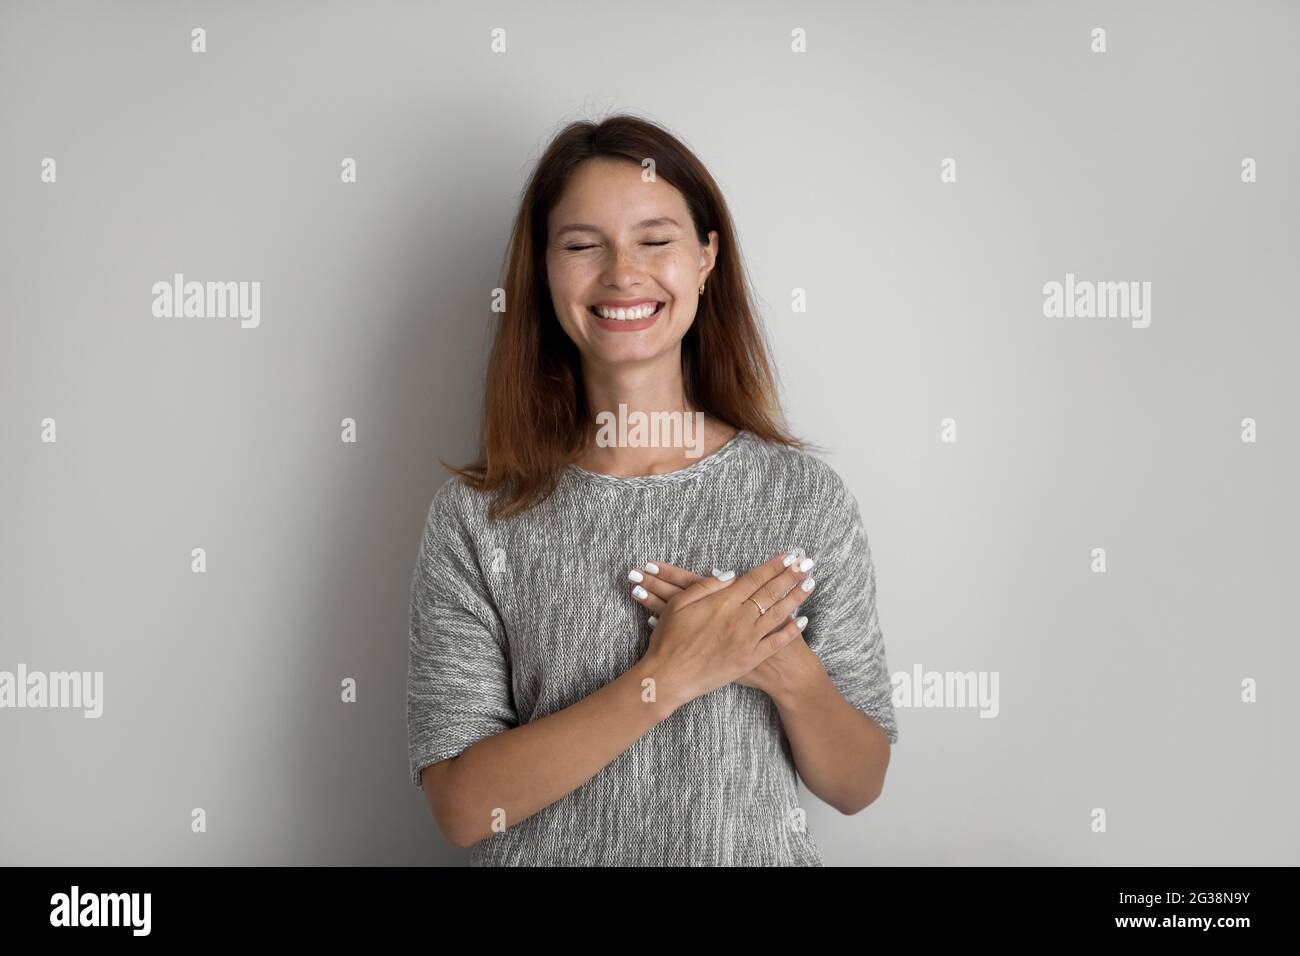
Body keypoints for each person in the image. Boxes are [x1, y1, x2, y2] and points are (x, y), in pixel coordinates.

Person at [407, 114, 898, 866]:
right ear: (543, 269)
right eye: (581, 245)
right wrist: (669, 676)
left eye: (655, 239)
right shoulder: (478, 518)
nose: (622, 274)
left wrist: (784, 667)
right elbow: (464, 806)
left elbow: (858, 783)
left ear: (706, 257)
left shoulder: (805, 498)